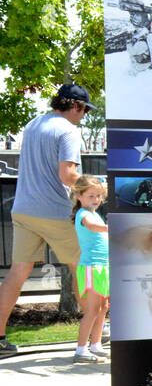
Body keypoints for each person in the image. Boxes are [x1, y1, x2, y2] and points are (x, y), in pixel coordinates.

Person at [0, 83, 94, 359]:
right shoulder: (68, 131)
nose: (85, 115)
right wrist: (96, 186)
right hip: (55, 212)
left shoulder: (33, 124)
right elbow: (67, 174)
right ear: (75, 105)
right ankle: (95, 333)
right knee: (82, 268)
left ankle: (0, 339)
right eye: (85, 109)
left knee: (16, 275)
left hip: (23, 209)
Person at [70, 175, 111, 362]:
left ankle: (95, 345)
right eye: (91, 196)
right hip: (92, 268)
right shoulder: (83, 215)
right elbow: (92, 227)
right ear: (79, 195)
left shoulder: (95, 213)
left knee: (103, 307)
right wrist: (110, 228)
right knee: (93, 310)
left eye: (99, 196)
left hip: (102, 267)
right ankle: (81, 350)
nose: (96, 200)